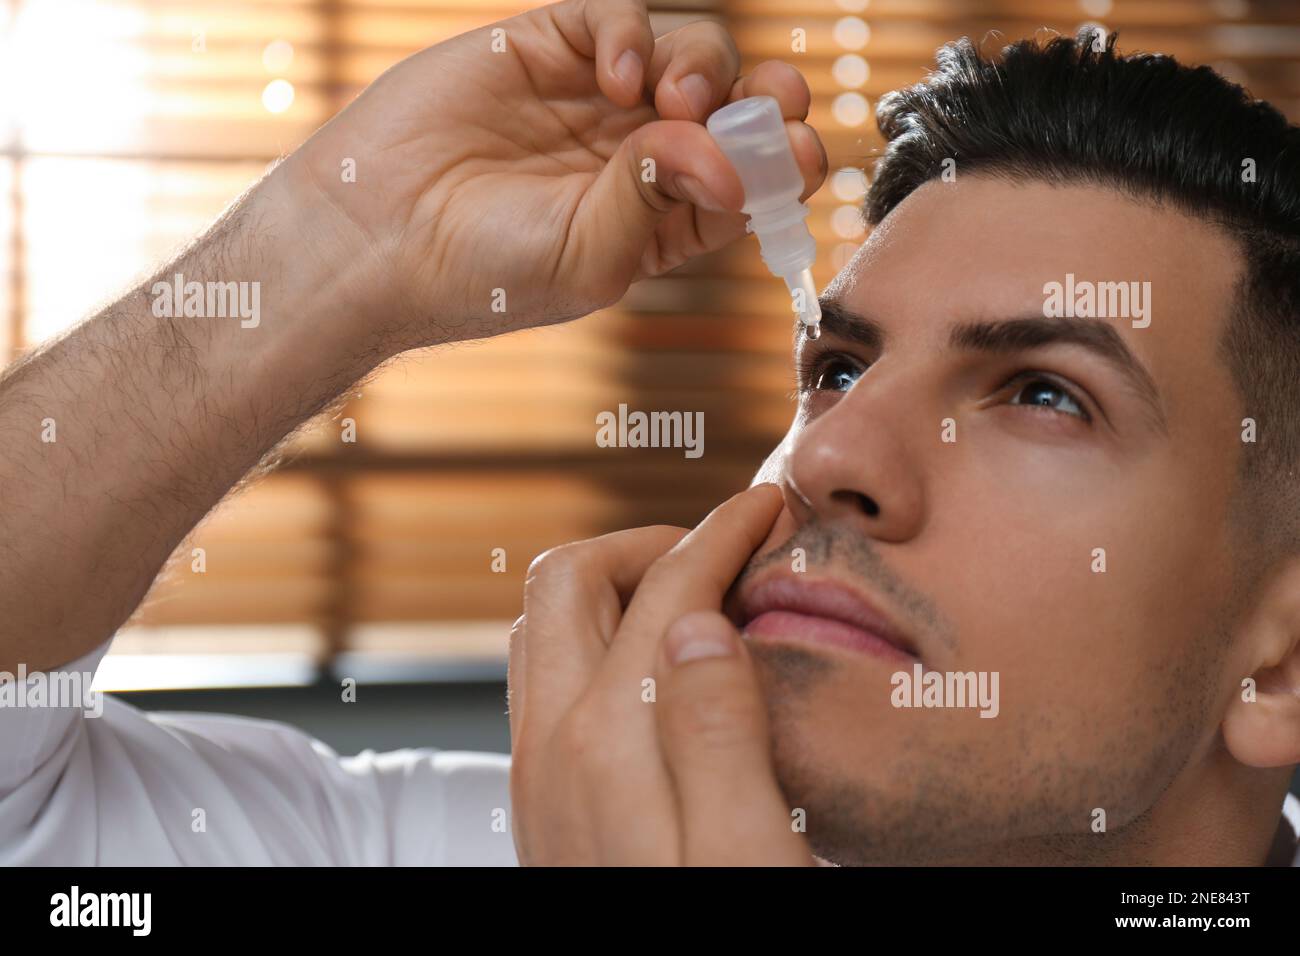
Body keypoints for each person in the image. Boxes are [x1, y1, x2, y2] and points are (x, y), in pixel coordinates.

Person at [4, 5, 1299, 867]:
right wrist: (335, 257)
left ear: (1280, 665)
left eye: (1043, 394)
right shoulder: (557, 832)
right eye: (838, 368)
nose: (825, 458)